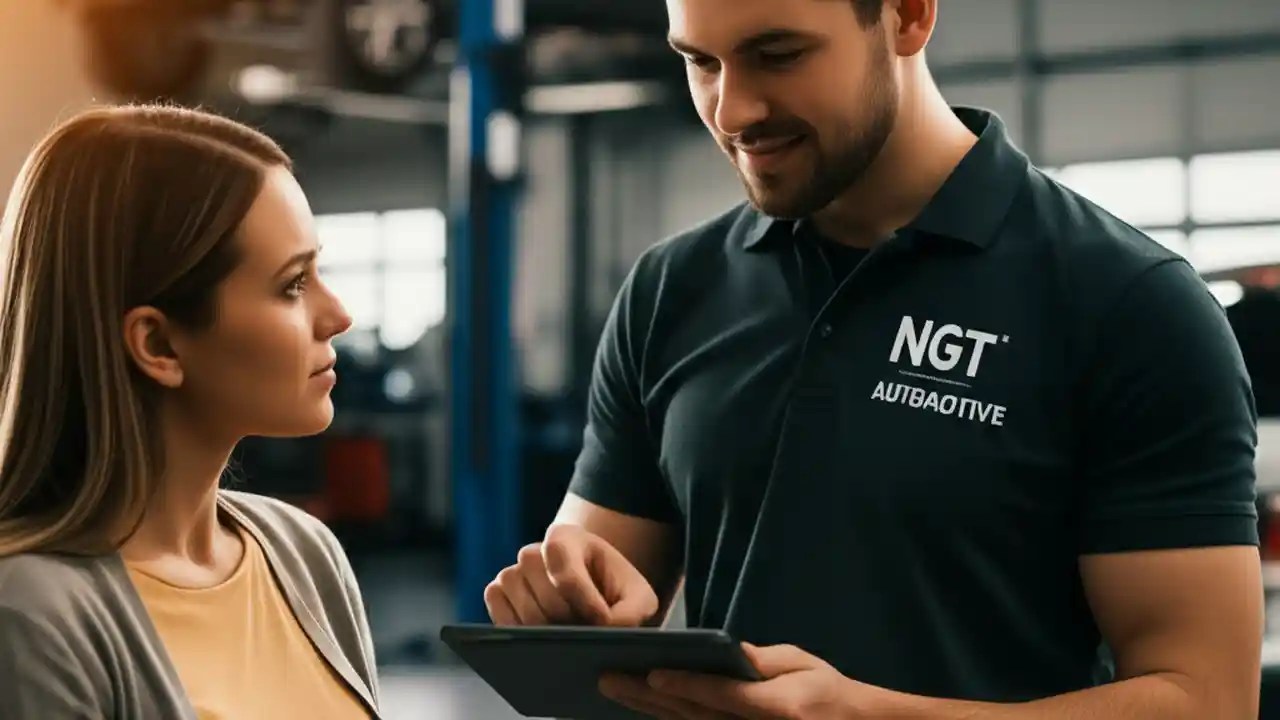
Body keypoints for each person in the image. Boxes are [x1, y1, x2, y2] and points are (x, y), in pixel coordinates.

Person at [485, 0, 1264, 717]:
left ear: (908, 16)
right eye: (702, 62)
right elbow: (605, 586)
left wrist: (874, 717)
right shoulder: (671, 290)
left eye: (778, 54)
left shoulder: (1129, 305)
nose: (733, 110)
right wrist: (567, 598)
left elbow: (1208, 699)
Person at [0, 105, 381, 719]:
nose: (338, 314)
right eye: (292, 284)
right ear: (158, 345)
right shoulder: (30, 617)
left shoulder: (304, 553)